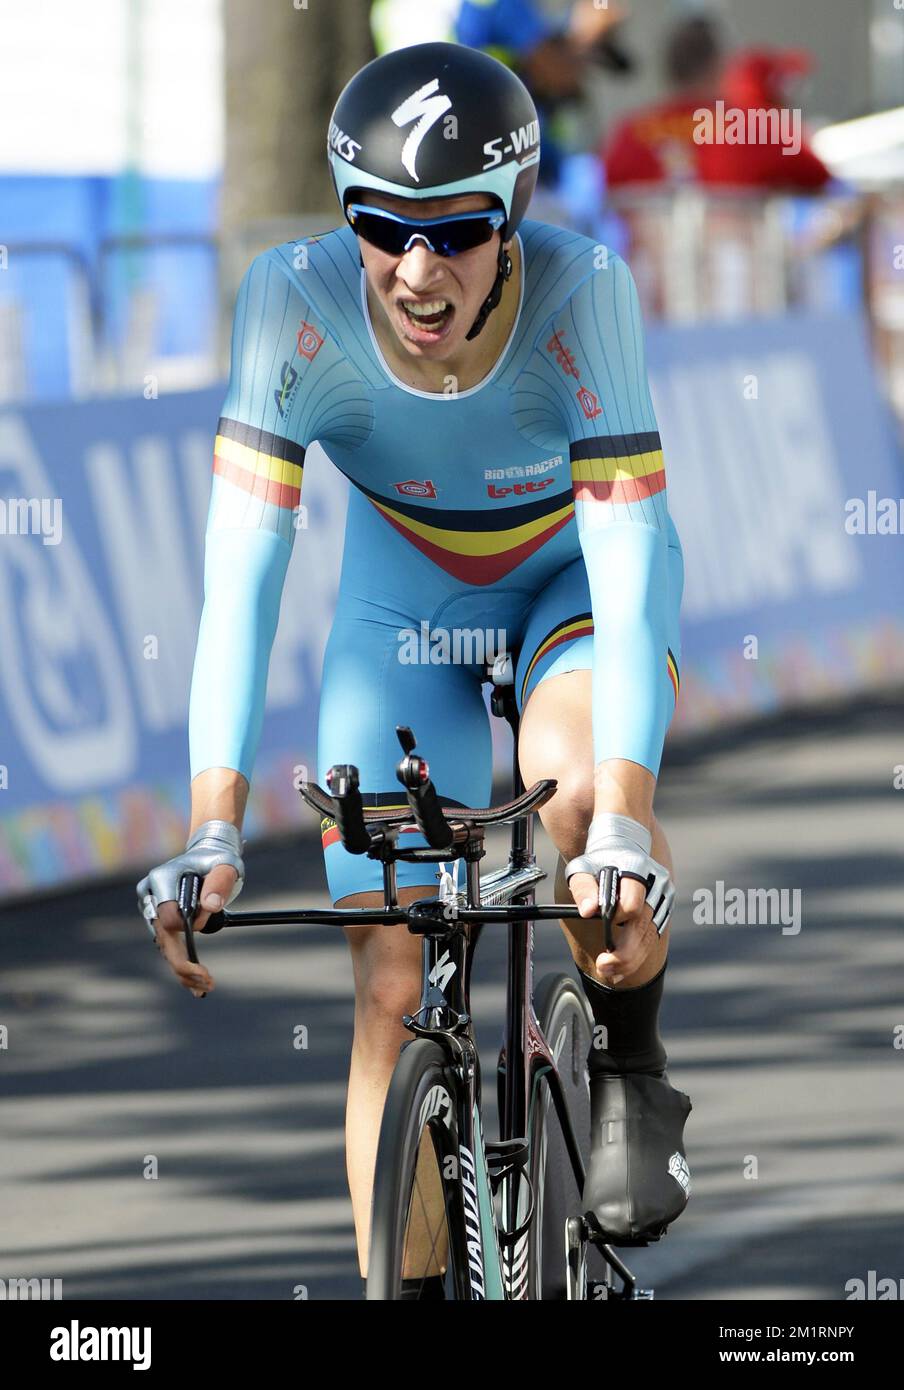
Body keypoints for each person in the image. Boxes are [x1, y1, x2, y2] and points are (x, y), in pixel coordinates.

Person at [137, 41, 691, 1297]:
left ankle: (630, 1060)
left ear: (514, 218)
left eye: (454, 230)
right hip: (403, 611)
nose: (418, 269)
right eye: (384, 228)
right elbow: (243, 575)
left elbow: (630, 552)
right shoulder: (291, 300)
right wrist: (213, 825)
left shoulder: (581, 288)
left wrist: (625, 816)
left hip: (569, 594)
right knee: (391, 977)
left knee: (570, 813)